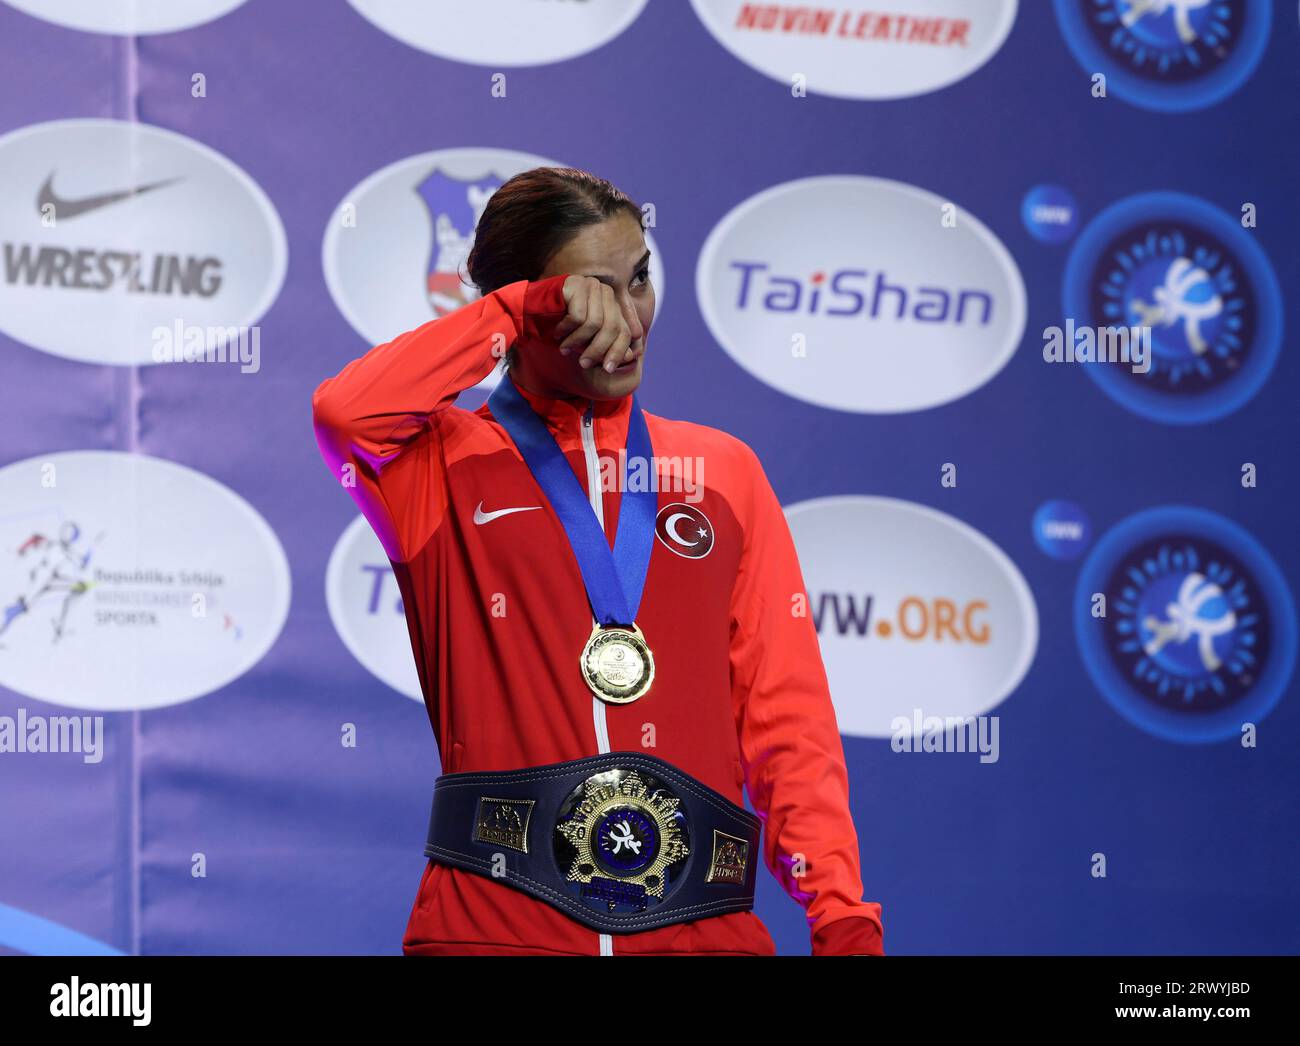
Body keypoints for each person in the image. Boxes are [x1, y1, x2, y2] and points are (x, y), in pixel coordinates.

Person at [311, 166, 884, 956]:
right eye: (591, 292)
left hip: (704, 937)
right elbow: (345, 412)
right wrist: (518, 310)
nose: (629, 316)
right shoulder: (442, 465)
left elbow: (785, 720)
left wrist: (841, 912)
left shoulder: (723, 472)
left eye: (639, 278)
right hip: (496, 931)